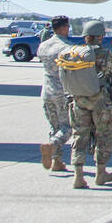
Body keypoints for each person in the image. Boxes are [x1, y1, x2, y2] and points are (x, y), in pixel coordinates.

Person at [64, 20, 112, 188]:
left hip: (78, 100)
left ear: (85, 37)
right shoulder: (105, 54)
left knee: (79, 136)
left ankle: (78, 176)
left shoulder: (75, 53)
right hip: (100, 101)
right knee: (104, 135)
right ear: (100, 37)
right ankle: (101, 173)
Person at [37, 15, 73, 171]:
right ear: (64, 27)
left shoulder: (43, 46)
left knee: (54, 127)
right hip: (61, 92)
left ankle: (56, 162)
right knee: (68, 127)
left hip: (46, 90)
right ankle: (51, 146)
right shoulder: (67, 47)